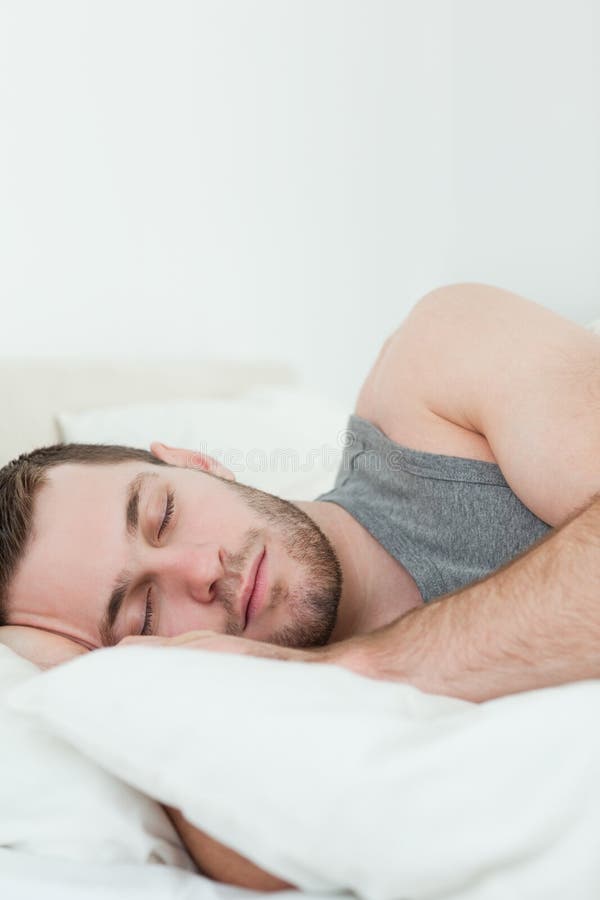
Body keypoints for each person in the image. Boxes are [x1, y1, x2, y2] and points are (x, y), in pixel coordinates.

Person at [1, 281, 599, 889]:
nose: (201, 570)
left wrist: (370, 664)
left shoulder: (444, 364)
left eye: (163, 516)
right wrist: (61, 665)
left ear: (194, 462)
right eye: (145, 612)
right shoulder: (277, 758)